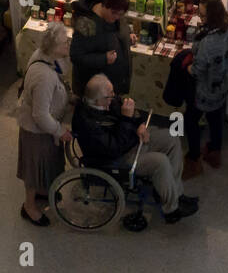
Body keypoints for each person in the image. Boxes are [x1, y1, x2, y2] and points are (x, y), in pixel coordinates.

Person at [72, 74, 199, 224]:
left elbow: (133, 112)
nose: (114, 96)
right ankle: (172, 209)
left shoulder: (109, 100)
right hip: (116, 158)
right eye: (110, 95)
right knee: (161, 161)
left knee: (171, 139)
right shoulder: (86, 122)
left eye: (113, 92)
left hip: (131, 140)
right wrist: (126, 119)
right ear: (98, 100)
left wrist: (139, 124)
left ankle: (175, 193)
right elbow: (113, 149)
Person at [16, 22, 73, 227]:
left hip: (45, 127)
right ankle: (29, 206)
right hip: (36, 130)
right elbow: (40, 115)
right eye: (64, 43)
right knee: (33, 169)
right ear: (52, 47)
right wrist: (60, 131)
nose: (68, 45)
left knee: (46, 162)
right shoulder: (43, 76)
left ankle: (42, 192)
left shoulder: (47, 57)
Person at [182, 0, 228, 178]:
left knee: (190, 121)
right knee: (216, 117)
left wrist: (187, 66)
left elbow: (197, 71)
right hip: (223, 85)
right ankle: (215, 151)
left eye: (203, 15)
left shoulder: (208, 42)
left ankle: (194, 159)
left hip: (205, 91)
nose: (201, 18)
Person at [70, 0, 135, 97]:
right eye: (114, 13)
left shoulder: (115, 13)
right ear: (104, 5)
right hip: (95, 92)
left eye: (121, 14)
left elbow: (118, 31)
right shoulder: (86, 24)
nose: (117, 17)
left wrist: (127, 35)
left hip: (113, 87)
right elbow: (76, 56)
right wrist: (103, 59)